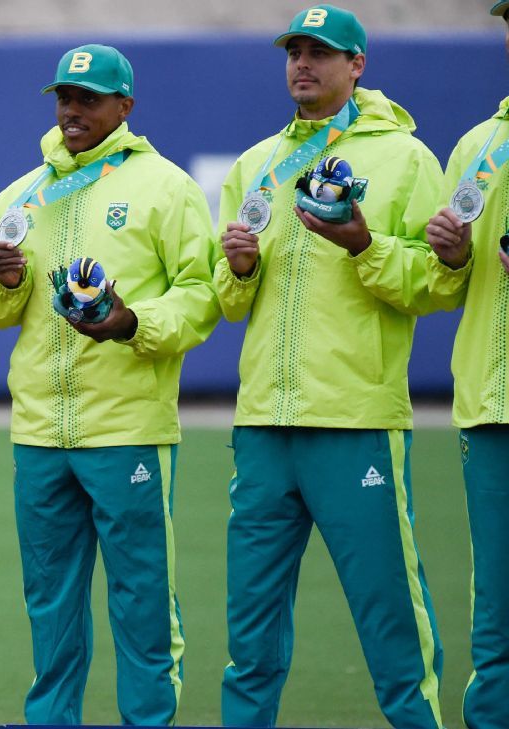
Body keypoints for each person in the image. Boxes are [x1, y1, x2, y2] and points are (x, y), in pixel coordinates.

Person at [215, 6, 445, 727]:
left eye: (321, 53)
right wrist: (240, 269)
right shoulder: (255, 165)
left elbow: (438, 282)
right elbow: (227, 299)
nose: (303, 65)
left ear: (358, 66)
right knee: (249, 635)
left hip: (354, 422)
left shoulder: (406, 158)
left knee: (391, 628)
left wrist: (362, 242)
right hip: (263, 426)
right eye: (295, 52)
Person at [0, 45, 219, 725]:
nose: (72, 111)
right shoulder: (19, 196)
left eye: (88, 98)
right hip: (39, 434)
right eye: (64, 98)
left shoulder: (167, 187)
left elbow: (201, 298)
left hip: (127, 429)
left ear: (125, 107)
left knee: (142, 599)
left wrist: (131, 321)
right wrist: (8, 281)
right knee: (49, 604)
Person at [424, 4, 509, 727]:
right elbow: (445, 283)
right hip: (492, 400)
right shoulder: (480, 146)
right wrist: (452, 255)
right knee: (499, 605)